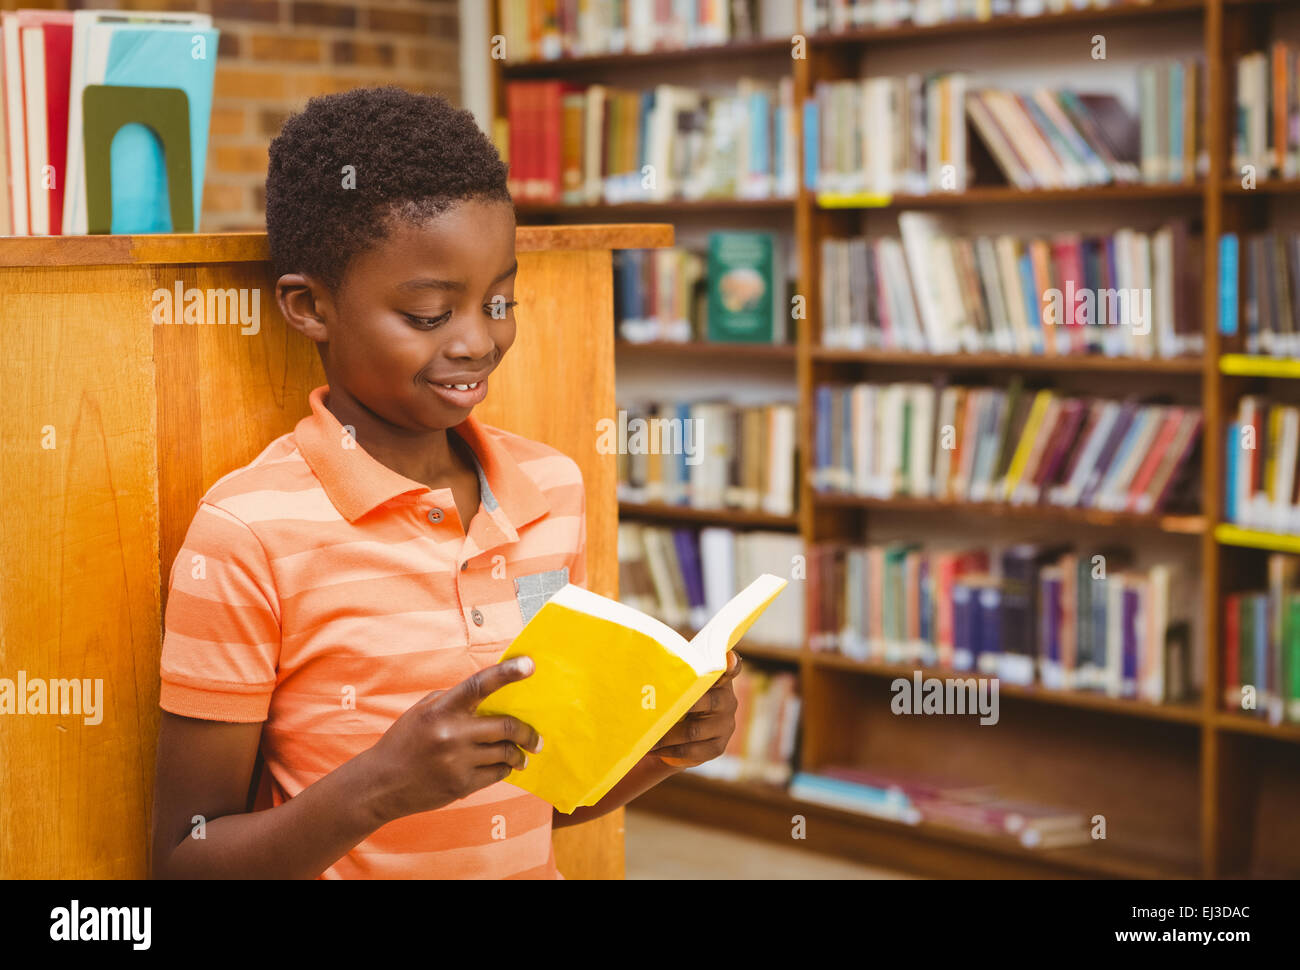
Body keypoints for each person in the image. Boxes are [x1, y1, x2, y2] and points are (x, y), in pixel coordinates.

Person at [149, 86, 741, 879]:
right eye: (429, 313)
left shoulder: (550, 491)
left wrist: (662, 747)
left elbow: (547, 793)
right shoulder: (248, 532)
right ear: (308, 307)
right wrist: (382, 786)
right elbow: (182, 860)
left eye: (500, 300)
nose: (478, 341)